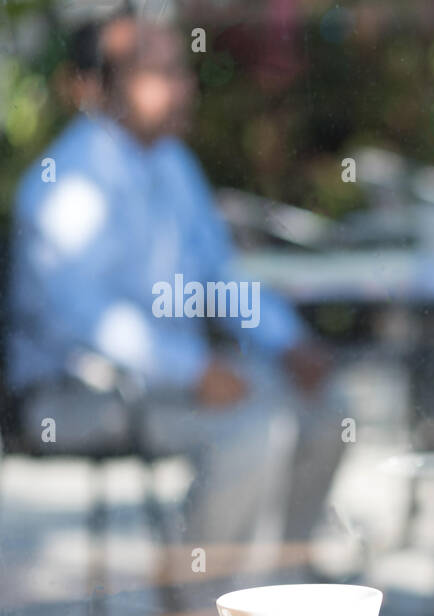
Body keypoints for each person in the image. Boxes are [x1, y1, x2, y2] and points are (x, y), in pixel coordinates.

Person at [6, 12, 342, 565]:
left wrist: (286, 342)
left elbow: (218, 275)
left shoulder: (172, 163)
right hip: (72, 393)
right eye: (155, 70)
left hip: (166, 380)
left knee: (327, 408)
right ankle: (202, 610)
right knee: (254, 429)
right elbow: (86, 318)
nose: (182, 85)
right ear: (92, 87)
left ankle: (287, 577)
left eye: (179, 69)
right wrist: (193, 368)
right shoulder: (63, 179)